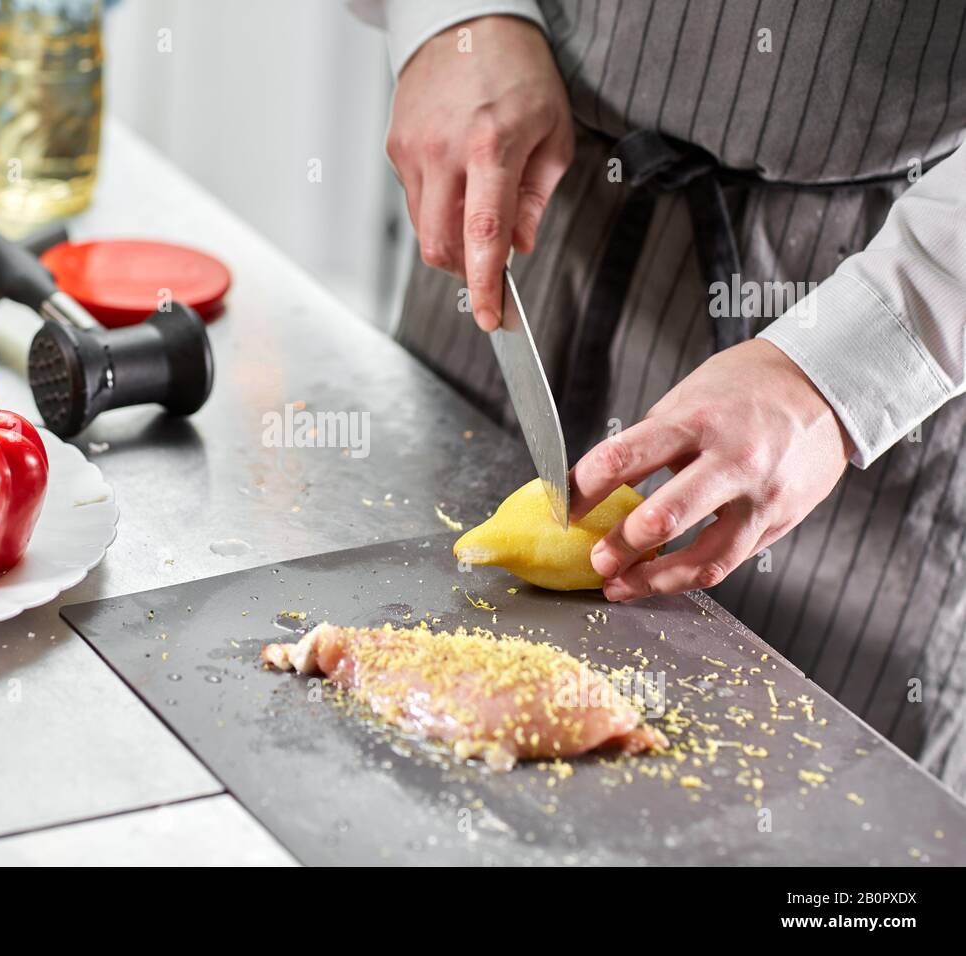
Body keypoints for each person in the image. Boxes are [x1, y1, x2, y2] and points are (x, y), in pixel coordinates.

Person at [351, 0, 966, 795]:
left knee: (814, 811)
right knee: (412, 768)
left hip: (875, 322)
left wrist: (850, 364)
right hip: (531, 209)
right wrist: (451, 19)